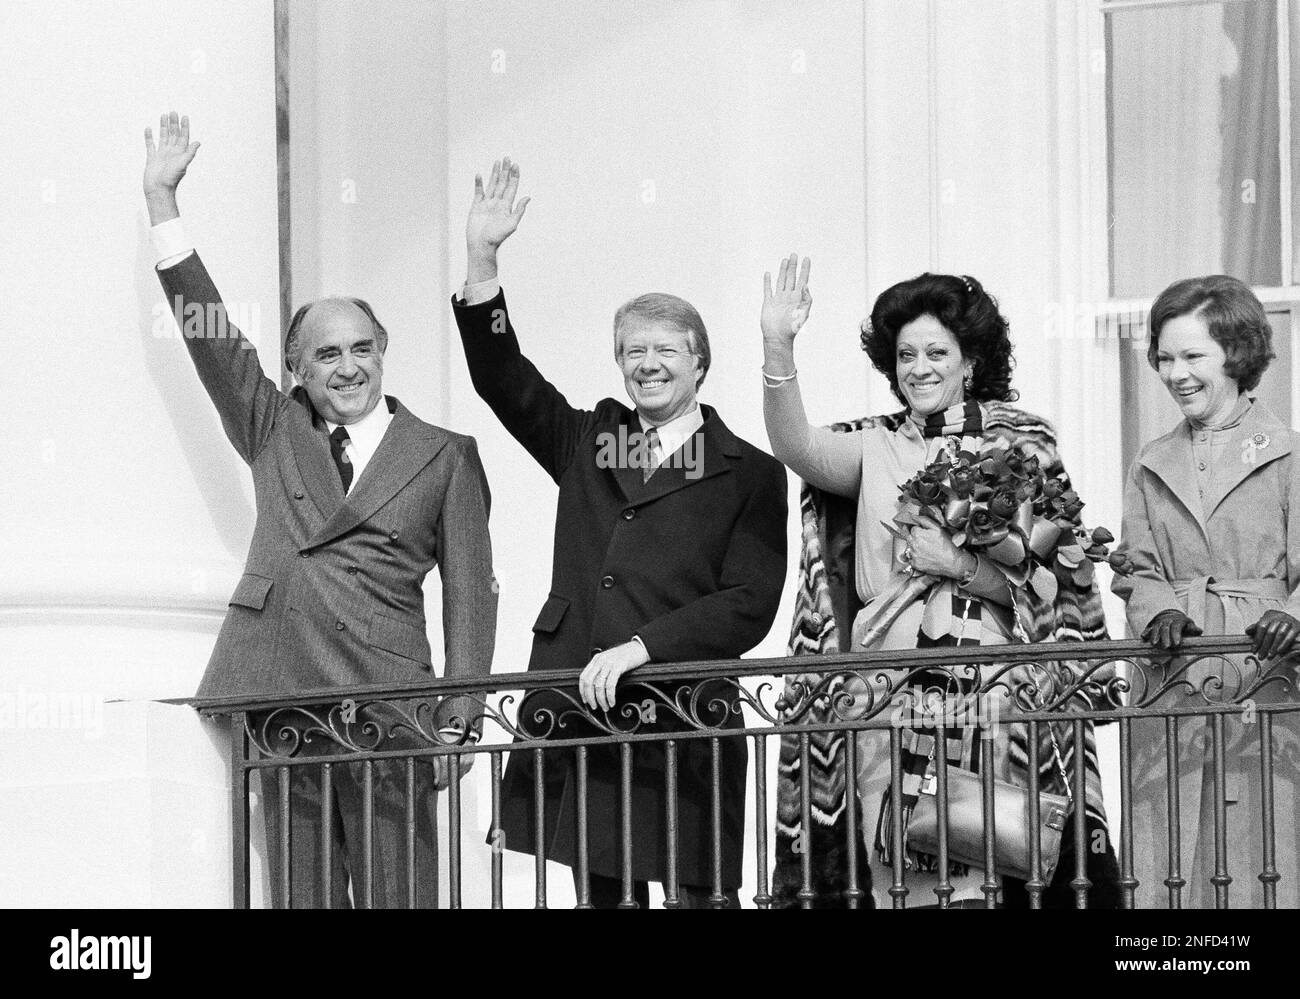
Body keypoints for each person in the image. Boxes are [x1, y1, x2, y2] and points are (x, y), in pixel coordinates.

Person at [142, 112, 497, 908]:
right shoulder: (274, 426)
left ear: (384, 349)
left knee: (398, 894)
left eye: (361, 348)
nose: (348, 367)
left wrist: (463, 709)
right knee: (301, 898)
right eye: (327, 354)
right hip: (288, 697)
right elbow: (212, 337)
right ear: (297, 370)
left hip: (394, 706)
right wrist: (164, 204)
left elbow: (474, 591)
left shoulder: (445, 453)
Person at [451, 159, 787, 908]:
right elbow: (504, 378)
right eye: (634, 350)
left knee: (698, 899)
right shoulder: (595, 441)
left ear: (699, 361)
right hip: (587, 712)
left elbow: (749, 600)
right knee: (608, 900)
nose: (648, 363)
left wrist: (643, 649)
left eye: (666, 348)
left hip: (684, 710)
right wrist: (483, 263)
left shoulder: (749, 470)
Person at [760, 257, 1120, 908]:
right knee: (903, 874)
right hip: (889, 693)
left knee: (988, 866)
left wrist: (960, 567)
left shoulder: (1022, 447)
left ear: (969, 361)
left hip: (989, 697)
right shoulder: (871, 446)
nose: (918, 367)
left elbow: (1049, 592)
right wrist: (778, 344)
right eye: (905, 354)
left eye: (935, 351)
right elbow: (795, 445)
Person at [1112, 274, 1300, 908]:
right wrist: (1157, 606)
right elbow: (1136, 569)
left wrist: (1291, 615)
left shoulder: (1289, 454)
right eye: (1165, 358)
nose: (1175, 373)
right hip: (1171, 675)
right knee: (1166, 849)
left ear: (1237, 354)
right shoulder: (1150, 460)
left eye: (1193, 356)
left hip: (1266, 671)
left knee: (1261, 848)